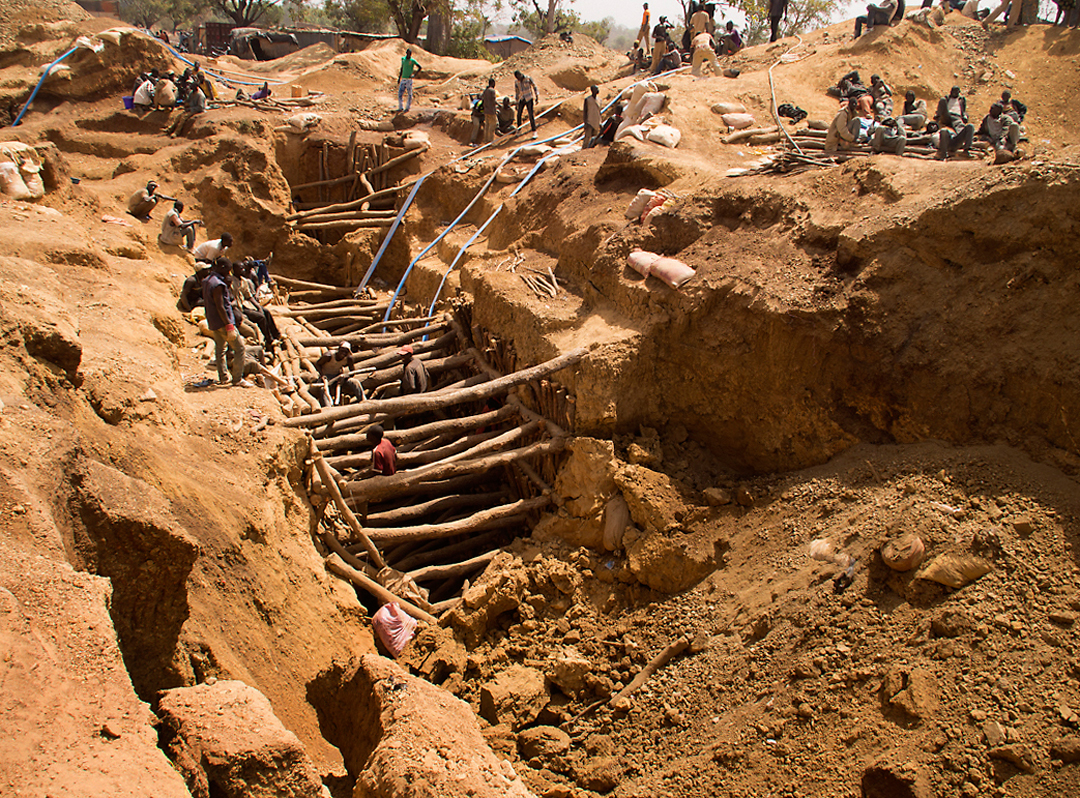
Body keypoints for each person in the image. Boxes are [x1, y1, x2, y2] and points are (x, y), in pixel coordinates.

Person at [203, 258, 252, 387]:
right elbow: (221, 306)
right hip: (223, 322)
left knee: (220, 349)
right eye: (228, 270)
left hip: (213, 320)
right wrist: (229, 325)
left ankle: (224, 377)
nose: (229, 273)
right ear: (223, 267)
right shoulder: (218, 284)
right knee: (240, 348)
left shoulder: (207, 280)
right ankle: (237, 379)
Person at [231, 260, 280, 346]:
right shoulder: (230, 282)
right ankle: (269, 340)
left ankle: (276, 335)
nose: (243, 270)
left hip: (246, 304)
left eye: (243, 268)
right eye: (240, 268)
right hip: (239, 307)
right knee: (261, 317)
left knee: (266, 312)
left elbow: (249, 296)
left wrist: (259, 306)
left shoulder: (244, 281)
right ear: (234, 270)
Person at [311, 342, 365, 406]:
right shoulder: (328, 356)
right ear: (338, 349)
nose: (343, 353)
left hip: (338, 377)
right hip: (326, 377)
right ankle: (327, 407)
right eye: (342, 351)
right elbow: (318, 364)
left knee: (355, 382)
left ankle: (363, 401)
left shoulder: (348, 358)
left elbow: (352, 372)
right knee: (323, 389)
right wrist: (322, 375)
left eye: (346, 352)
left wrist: (345, 377)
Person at [934, 86, 975, 160]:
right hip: (947, 115)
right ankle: (938, 117)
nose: (954, 93)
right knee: (942, 100)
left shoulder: (962, 99)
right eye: (953, 91)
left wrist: (965, 116)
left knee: (969, 127)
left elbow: (964, 110)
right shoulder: (946, 98)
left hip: (958, 117)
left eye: (956, 91)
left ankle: (966, 150)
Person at [514, 70, 539, 136]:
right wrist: (516, 102)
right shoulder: (517, 82)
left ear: (520, 74)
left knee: (531, 115)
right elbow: (517, 92)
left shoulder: (528, 78)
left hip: (529, 98)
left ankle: (534, 131)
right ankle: (519, 130)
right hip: (522, 98)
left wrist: (537, 96)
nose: (518, 78)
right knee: (519, 114)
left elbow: (534, 86)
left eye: (518, 76)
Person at [397, 48, 422, 113]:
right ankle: (401, 107)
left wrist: (414, 75)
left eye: (410, 53)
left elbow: (419, 67)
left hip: (409, 80)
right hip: (403, 78)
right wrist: (399, 78)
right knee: (400, 94)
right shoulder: (403, 59)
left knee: (409, 94)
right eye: (407, 53)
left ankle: (407, 107)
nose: (408, 55)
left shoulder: (412, 61)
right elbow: (402, 68)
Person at [482, 78, 497, 144]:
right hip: (491, 111)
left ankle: (486, 140)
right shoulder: (492, 91)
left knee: (487, 126)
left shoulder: (485, 91)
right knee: (492, 126)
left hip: (486, 111)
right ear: (493, 83)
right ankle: (490, 141)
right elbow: (493, 101)